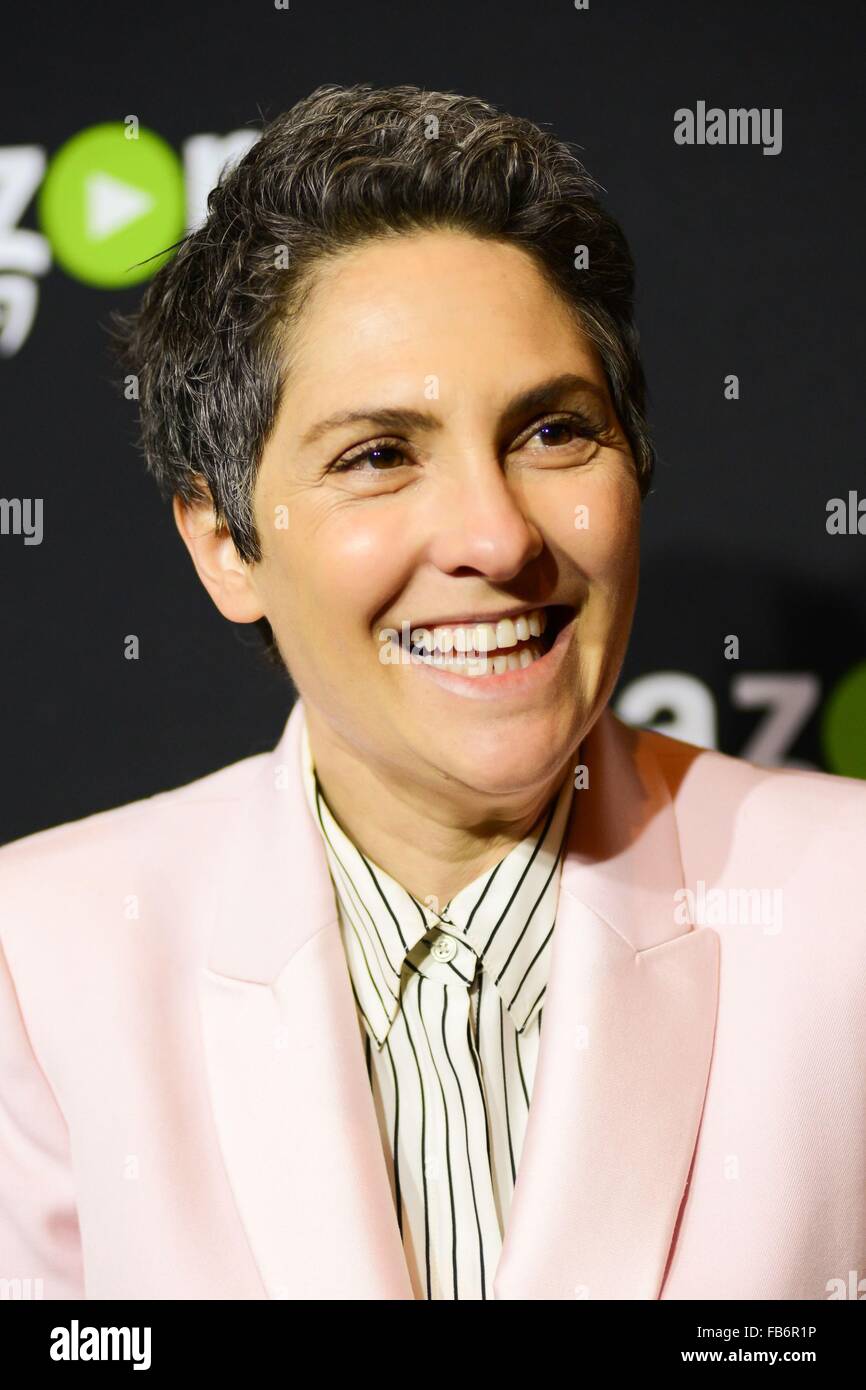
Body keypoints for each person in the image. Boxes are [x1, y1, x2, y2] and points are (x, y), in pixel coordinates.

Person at [1, 83, 864, 1302]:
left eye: (552, 431)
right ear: (224, 544)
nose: (495, 536)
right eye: (377, 456)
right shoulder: (40, 966)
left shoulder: (846, 916)